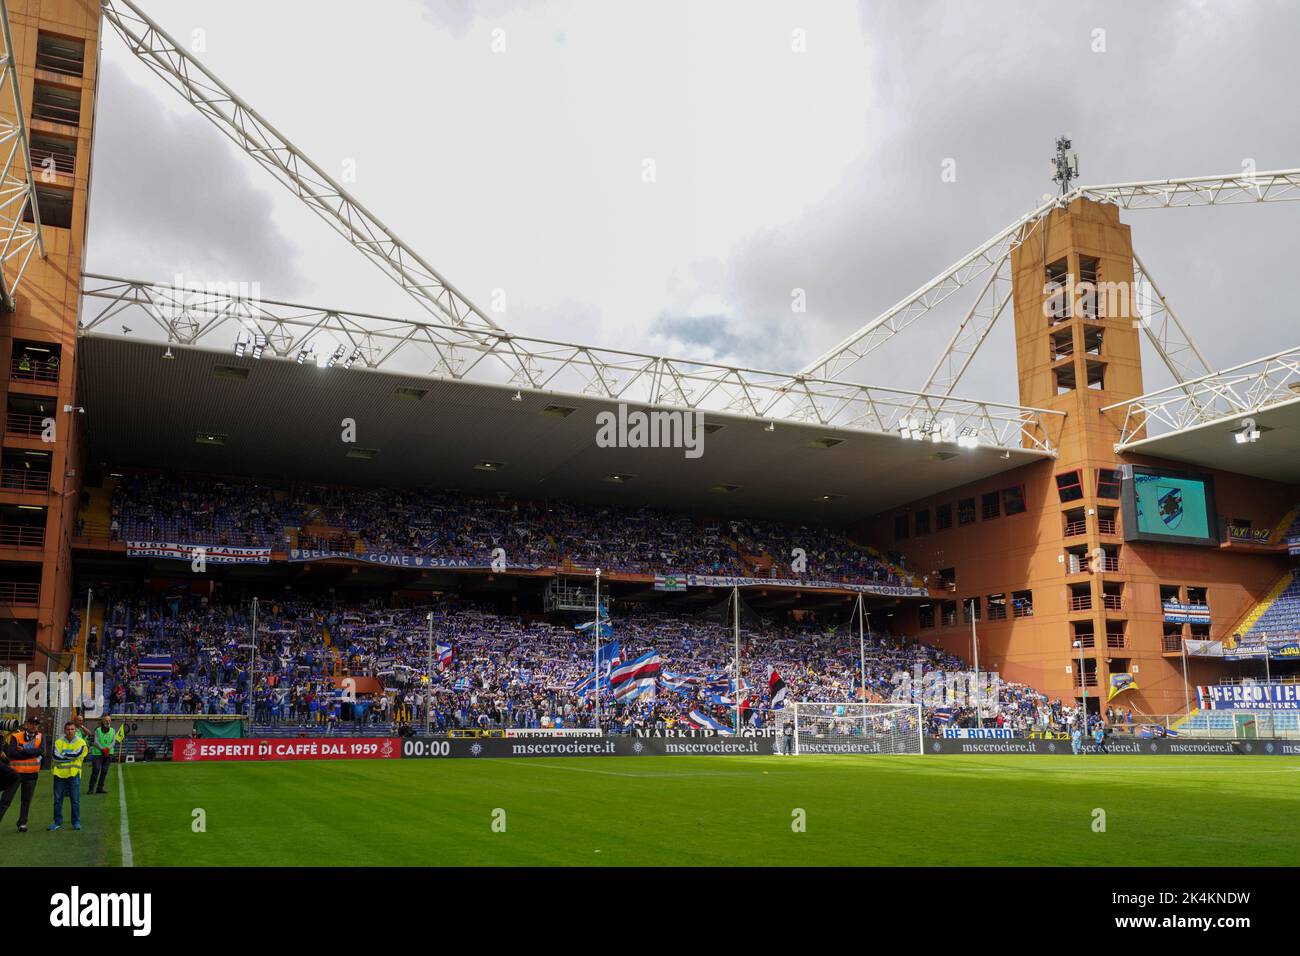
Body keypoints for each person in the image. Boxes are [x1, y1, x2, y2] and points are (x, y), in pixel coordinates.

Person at [0, 716, 43, 832]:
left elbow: (41, 751)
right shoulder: (16, 736)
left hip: (31, 774)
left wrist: (24, 750)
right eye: (31, 723)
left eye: (36, 723)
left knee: (26, 800)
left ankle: (22, 823)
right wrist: (32, 754)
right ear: (26, 724)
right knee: (5, 800)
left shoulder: (40, 737)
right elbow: (12, 753)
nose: (34, 725)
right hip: (15, 773)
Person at [50, 722, 88, 831]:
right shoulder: (58, 742)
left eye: (72, 729)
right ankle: (57, 822)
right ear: (64, 730)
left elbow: (77, 754)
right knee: (58, 800)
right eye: (67, 729)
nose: (70, 731)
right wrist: (70, 757)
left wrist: (63, 755)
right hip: (59, 775)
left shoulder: (81, 742)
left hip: (73, 775)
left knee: (75, 800)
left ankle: (76, 822)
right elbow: (55, 757)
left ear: (75, 730)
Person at [87, 715, 119, 795]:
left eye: (109, 720)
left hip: (109, 753)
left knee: (104, 771)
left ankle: (100, 788)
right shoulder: (97, 730)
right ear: (103, 721)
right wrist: (102, 749)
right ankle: (91, 788)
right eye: (106, 720)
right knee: (96, 770)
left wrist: (107, 749)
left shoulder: (113, 730)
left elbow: (113, 742)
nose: (108, 722)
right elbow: (96, 741)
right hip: (97, 753)